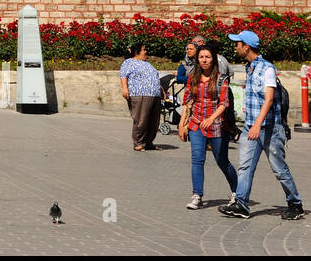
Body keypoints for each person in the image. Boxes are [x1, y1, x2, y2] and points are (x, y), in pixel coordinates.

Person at [220, 30, 303, 220]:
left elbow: (269, 99)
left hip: (270, 129)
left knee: (279, 169)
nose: (235, 47)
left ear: (246, 46)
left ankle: (295, 204)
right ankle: (241, 204)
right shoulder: (249, 67)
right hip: (251, 127)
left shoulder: (267, 69)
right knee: (245, 167)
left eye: (237, 43)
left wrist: (258, 124)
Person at [176, 43, 237, 210]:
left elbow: (224, 103)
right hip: (196, 124)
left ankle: (236, 192)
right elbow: (187, 101)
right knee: (197, 160)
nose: (204, 60)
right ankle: (197, 195)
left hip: (217, 125)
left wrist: (212, 118)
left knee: (222, 161)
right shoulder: (192, 77)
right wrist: (182, 124)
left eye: (207, 57)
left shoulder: (221, 79)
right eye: (201, 57)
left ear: (213, 59)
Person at [119, 41, 162, 151]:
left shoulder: (147, 63)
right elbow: (123, 75)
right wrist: (125, 89)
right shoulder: (128, 62)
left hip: (155, 95)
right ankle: (138, 143)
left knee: (154, 121)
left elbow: (155, 77)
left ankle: (148, 142)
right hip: (140, 94)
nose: (146, 52)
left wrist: (161, 89)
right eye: (144, 50)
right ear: (137, 52)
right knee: (141, 120)